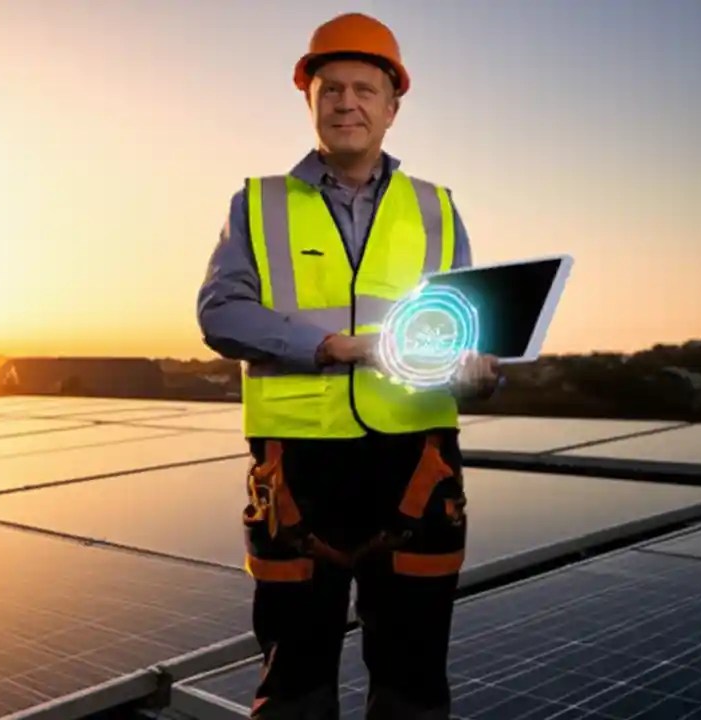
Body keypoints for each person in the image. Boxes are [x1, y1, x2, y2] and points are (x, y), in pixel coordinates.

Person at [195, 12, 500, 720]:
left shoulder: (437, 209)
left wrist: (482, 371)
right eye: (330, 88)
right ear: (309, 100)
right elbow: (219, 314)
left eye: (365, 89)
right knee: (295, 682)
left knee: (413, 680)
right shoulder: (260, 204)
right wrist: (328, 347)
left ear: (393, 108)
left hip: (417, 466)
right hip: (299, 472)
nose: (346, 103)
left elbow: (465, 328)